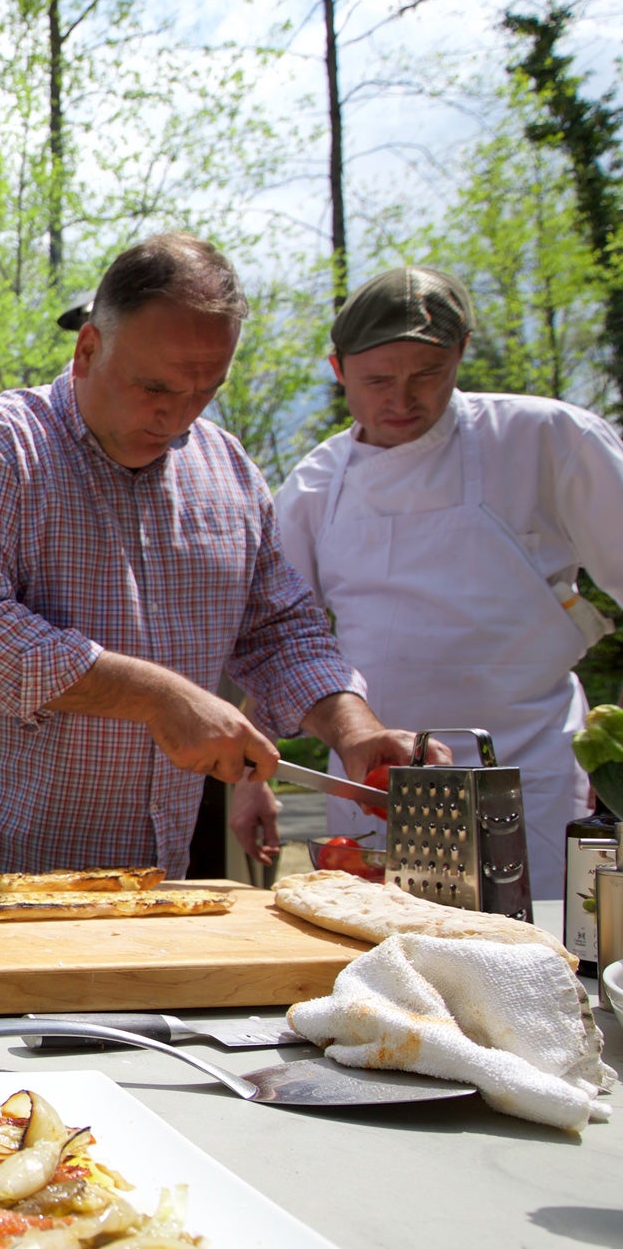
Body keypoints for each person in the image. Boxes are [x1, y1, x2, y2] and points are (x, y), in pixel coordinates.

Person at [0, 232, 422, 878]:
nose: (176, 418)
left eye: (204, 392)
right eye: (154, 387)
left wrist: (354, 730)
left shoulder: (228, 469)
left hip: (155, 867)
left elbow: (280, 630)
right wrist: (157, 695)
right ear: (88, 348)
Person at [233, 265, 623, 898]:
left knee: (533, 948)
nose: (402, 400)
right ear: (338, 370)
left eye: (427, 375)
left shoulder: (547, 440)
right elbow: (279, 638)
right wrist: (252, 782)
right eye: (378, 380)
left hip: (526, 767)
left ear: (462, 352)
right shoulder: (315, 484)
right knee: (376, 955)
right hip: (372, 777)